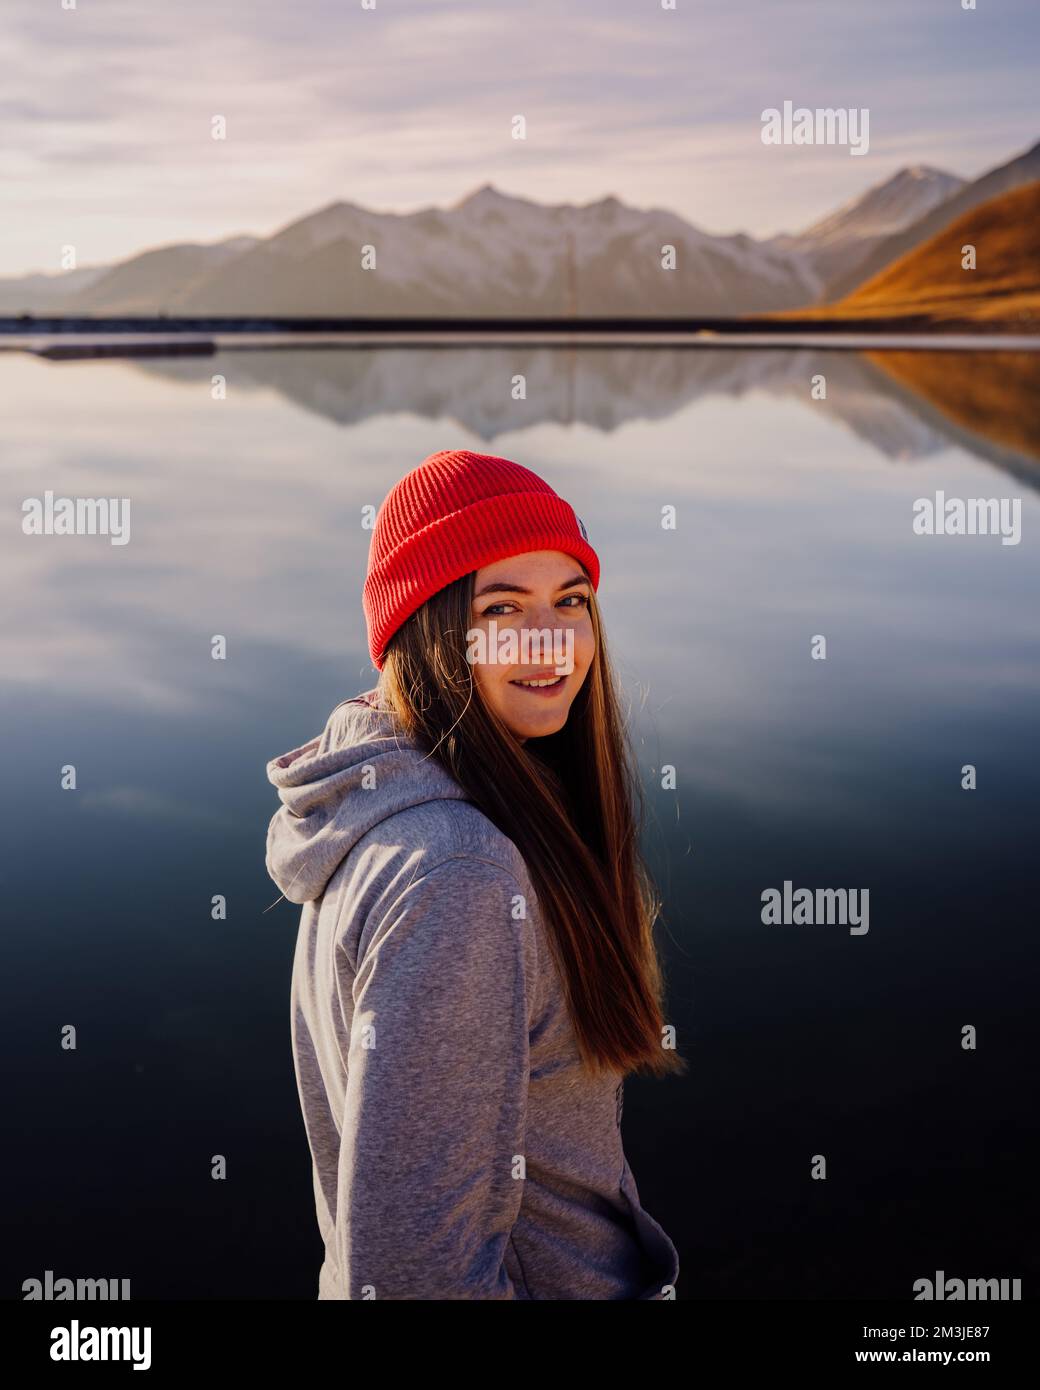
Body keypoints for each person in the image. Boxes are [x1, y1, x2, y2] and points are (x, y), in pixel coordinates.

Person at [265, 448, 686, 1299]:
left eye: (571, 600)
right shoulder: (459, 877)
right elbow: (418, 1275)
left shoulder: (379, 806)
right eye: (502, 608)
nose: (552, 641)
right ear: (429, 630)